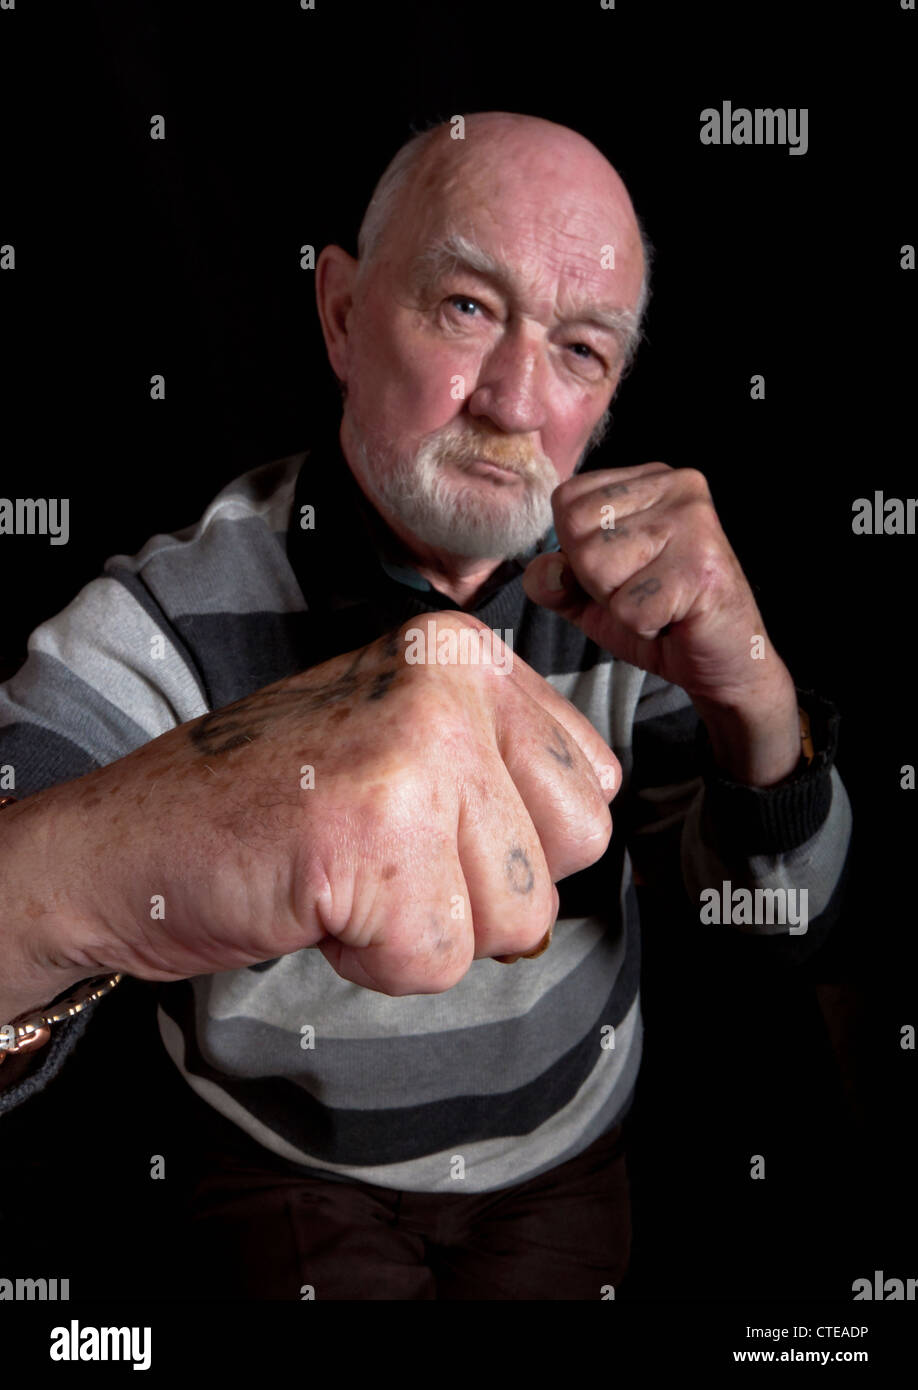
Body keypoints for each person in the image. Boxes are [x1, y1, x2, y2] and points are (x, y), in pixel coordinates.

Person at [0, 111, 851, 1300]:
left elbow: (774, 929)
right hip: (285, 1173)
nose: (513, 402)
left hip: (569, 1159)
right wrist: (138, 840)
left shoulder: (641, 611)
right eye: (466, 307)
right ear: (343, 315)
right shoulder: (169, 620)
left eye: (580, 351)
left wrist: (754, 696)